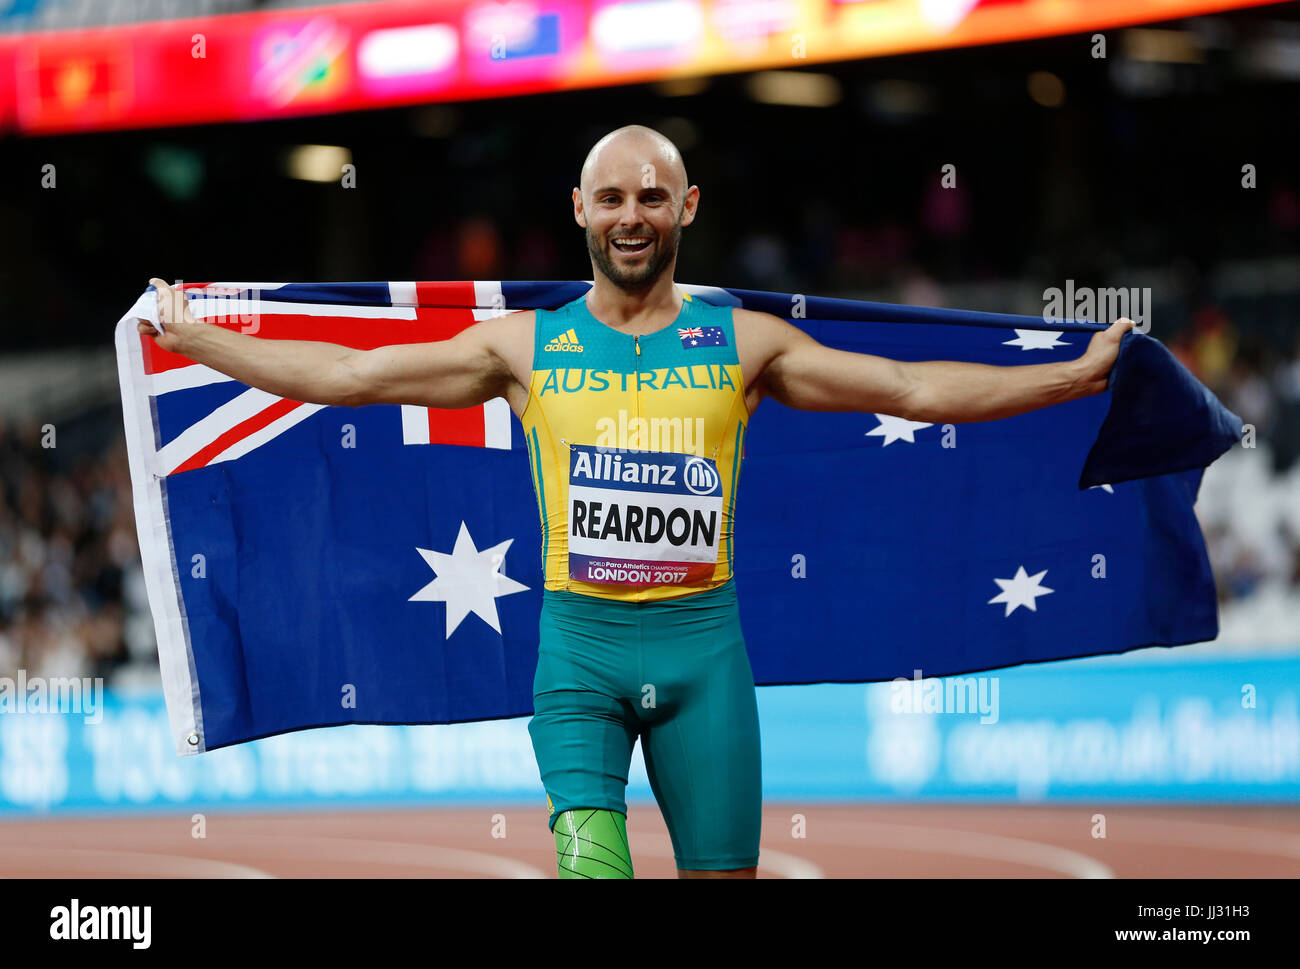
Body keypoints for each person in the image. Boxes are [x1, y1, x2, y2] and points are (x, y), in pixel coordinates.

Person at [137, 124, 1133, 879]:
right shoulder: (524, 346)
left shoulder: (743, 342)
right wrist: (203, 343)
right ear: (578, 208)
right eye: (610, 197)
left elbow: (911, 390)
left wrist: (1072, 380)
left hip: (706, 657)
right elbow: (353, 378)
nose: (631, 215)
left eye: (651, 198)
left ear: (686, 208)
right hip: (579, 661)